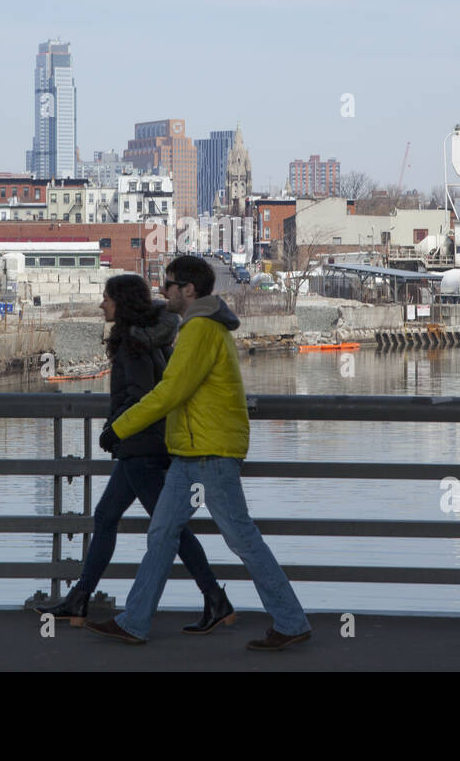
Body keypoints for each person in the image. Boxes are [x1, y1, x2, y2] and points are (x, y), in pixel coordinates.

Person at [85, 256, 312, 651]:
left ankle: (291, 621)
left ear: (188, 290)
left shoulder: (201, 329)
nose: (162, 290)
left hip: (209, 451)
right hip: (190, 452)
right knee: (162, 534)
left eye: (168, 284)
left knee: (241, 538)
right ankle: (134, 621)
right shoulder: (199, 327)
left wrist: (119, 428)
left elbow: (171, 391)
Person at [35, 274, 233, 632]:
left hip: (141, 447)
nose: (101, 305)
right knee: (107, 515)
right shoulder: (150, 337)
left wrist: (114, 429)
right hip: (141, 446)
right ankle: (79, 598)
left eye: (107, 298)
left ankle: (215, 599)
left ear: (121, 302)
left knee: (169, 527)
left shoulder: (133, 343)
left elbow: (141, 393)